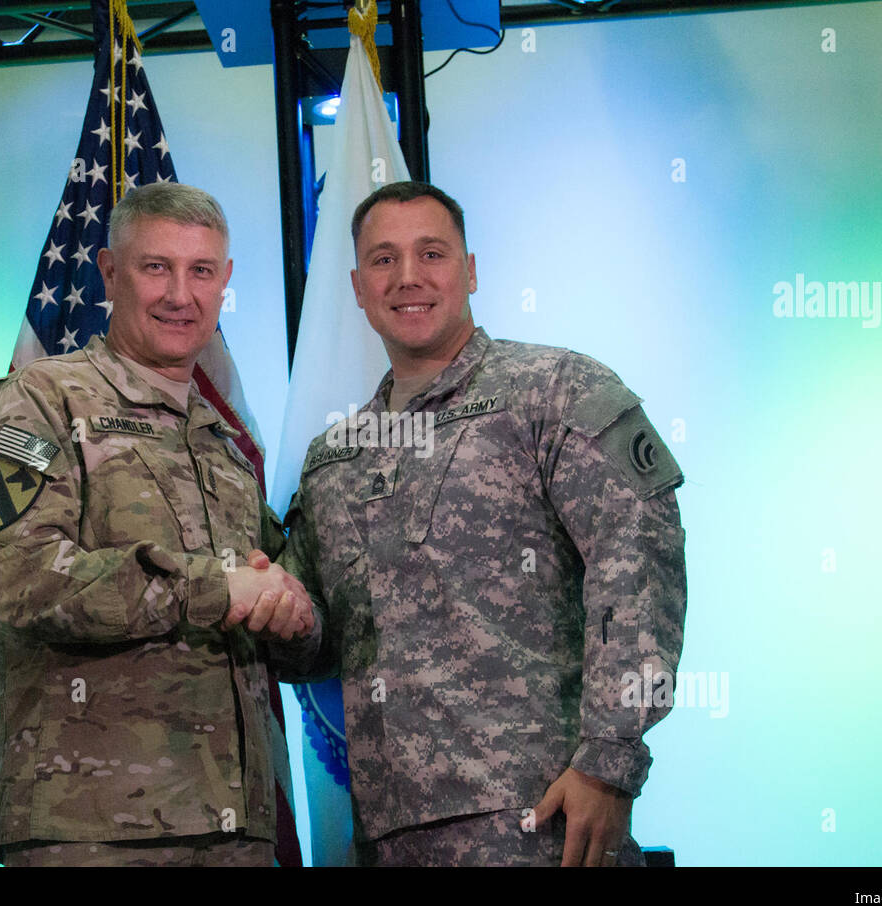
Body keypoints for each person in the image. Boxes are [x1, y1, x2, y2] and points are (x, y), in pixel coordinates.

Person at [278, 181, 687, 866]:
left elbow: (640, 566)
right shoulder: (333, 461)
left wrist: (610, 762)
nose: (408, 277)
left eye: (431, 253)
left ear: (469, 270)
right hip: (389, 840)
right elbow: (317, 650)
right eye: (383, 260)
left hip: (542, 826)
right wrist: (274, 609)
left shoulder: (556, 392)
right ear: (356, 286)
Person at [0, 182, 319, 867]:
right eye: (157, 268)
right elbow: (14, 577)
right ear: (111, 273)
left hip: (236, 832)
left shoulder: (226, 444)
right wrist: (216, 589)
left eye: (201, 271)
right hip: (94, 833)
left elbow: (277, 601)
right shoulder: (39, 404)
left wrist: (293, 614)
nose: (181, 294)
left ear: (225, 282)